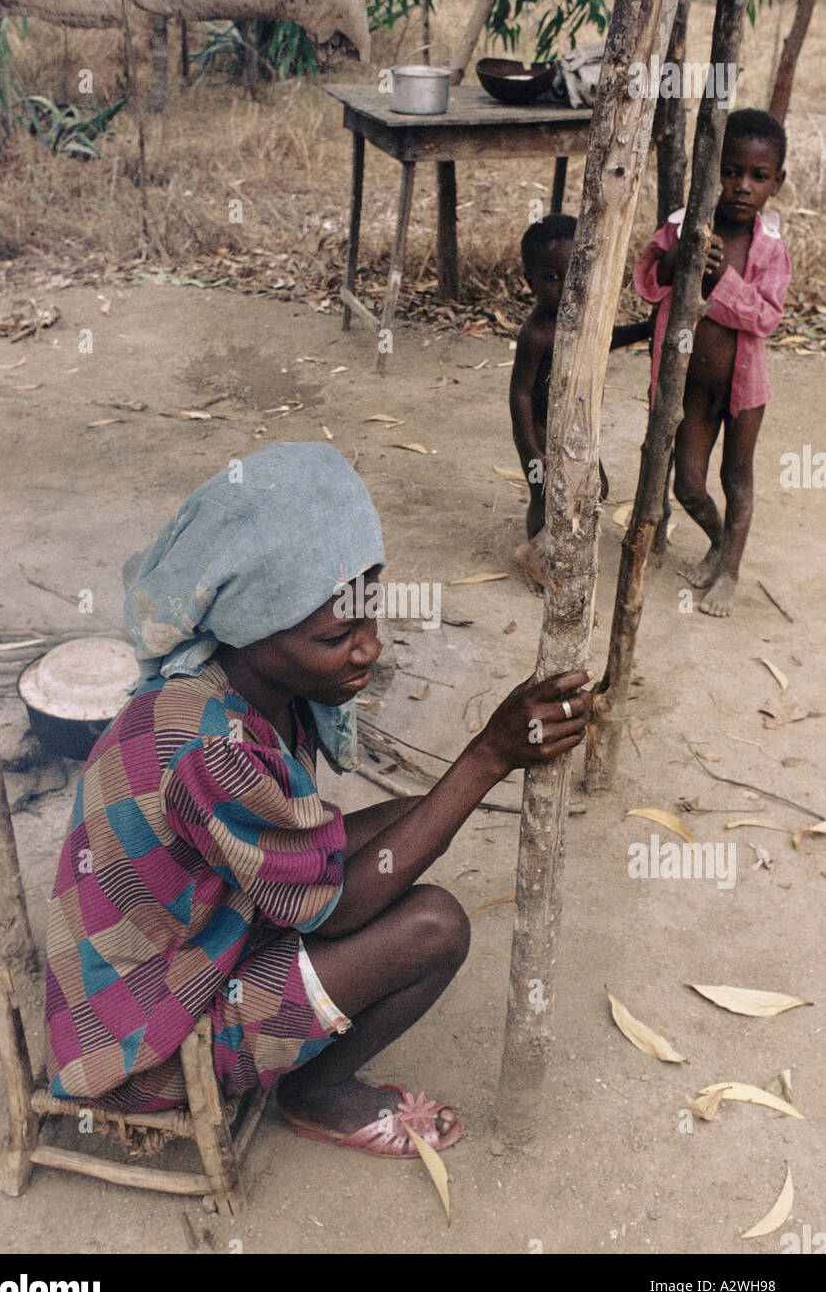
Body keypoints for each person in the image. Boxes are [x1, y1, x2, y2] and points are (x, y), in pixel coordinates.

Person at [43, 442, 592, 1158]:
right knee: (433, 926)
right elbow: (340, 913)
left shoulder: (247, 687)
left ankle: (303, 1061)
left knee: (412, 817)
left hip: (207, 934)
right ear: (247, 626)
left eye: (369, 618)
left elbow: (318, 858)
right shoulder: (213, 747)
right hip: (143, 1044)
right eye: (336, 636)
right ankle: (316, 1094)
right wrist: (487, 757)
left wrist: (469, 774)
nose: (367, 650)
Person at [634, 108, 791, 617]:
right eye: (730, 171)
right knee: (688, 484)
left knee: (737, 479)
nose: (742, 186)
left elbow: (765, 317)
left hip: (743, 390)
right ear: (711, 171)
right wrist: (678, 260)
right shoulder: (684, 229)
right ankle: (720, 540)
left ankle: (729, 571)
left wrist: (723, 279)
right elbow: (647, 281)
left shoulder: (768, 249)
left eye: (758, 176)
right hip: (691, 390)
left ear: (776, 183)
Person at [511, 214, 652, 591]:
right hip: (540, 433)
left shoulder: (587, 317)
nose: (564, 285)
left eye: (574, 272)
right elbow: (521, 393)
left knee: (597, 487)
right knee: (543, 496)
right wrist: (529, 448)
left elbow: (607, 338)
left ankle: (547, 550)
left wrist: (647, 329)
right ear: (530, 281)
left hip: (575, 428)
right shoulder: (537, 332)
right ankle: (536, 558)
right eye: (551, 277)